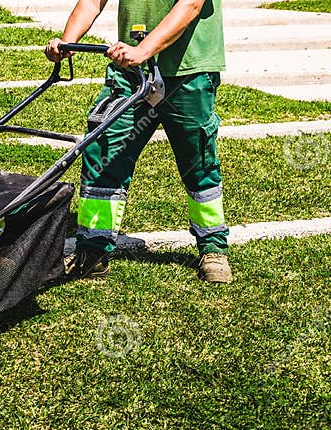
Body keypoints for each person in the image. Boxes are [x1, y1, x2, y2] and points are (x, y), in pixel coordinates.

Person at [47, 0, 233, 283]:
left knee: (198, 160)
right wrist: (67, 42)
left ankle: (213, 247)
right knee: (104, 148)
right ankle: (93, 251)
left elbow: (191, 5)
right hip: (129, 72)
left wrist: (143, 51)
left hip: (188, 71)